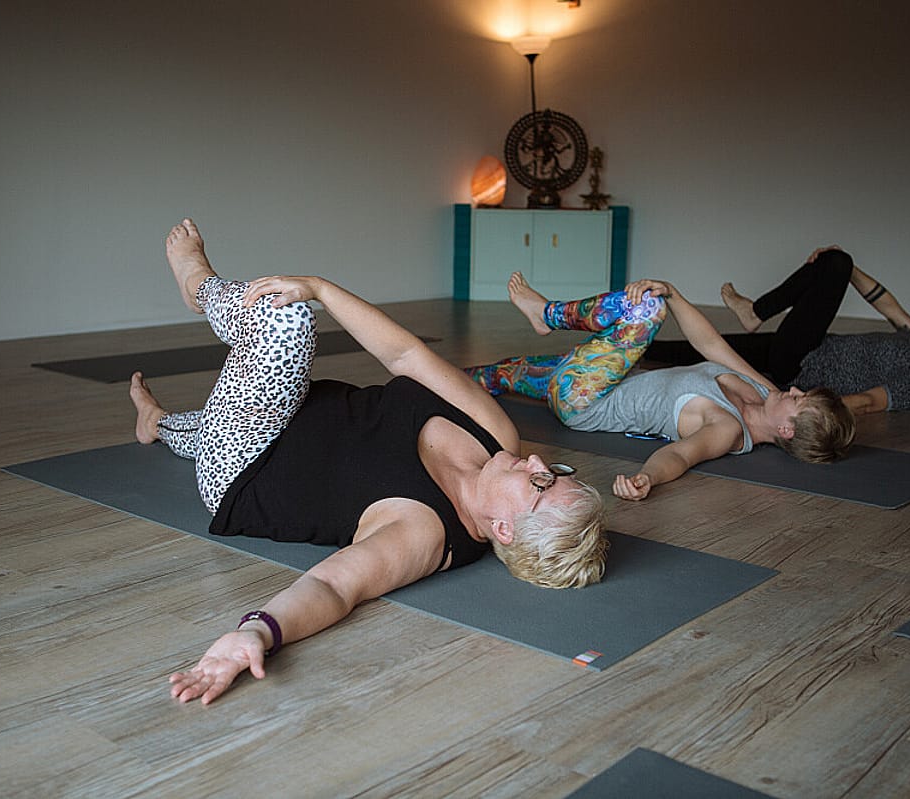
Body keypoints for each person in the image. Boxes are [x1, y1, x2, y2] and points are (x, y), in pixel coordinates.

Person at [135, 219, 608, 705]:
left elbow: (333, 585)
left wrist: (255, 634)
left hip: (246, 466)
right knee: (245, 398)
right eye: (551, 473)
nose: (534, 462)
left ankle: (198, 283)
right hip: (294, 408)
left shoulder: (425, 533)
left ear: (504, 530)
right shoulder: (496, 434)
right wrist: (320, 287)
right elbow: (405, 355)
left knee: (286, 322)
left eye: (540, 484)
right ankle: (157, 424)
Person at [464, 273, 854, 502]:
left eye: (799, 402)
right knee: (496, 375)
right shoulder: (763, 390)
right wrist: (674, 292)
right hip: (600, 378)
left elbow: (681, 456)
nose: (796, 391)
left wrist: (647, 478)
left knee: (646, 307)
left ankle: (545, 312)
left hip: (583, 400)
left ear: (786, 431)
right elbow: (712, 345)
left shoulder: (727, 429)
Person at [644, 246, 910, 416]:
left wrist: (797, 411)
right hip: (804, 345)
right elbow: (889, 306)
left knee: (835, 262)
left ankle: (755, 311)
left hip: (800, 366)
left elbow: (865, 403)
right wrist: (850, 270)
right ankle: (633, 351)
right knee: (674, 353)